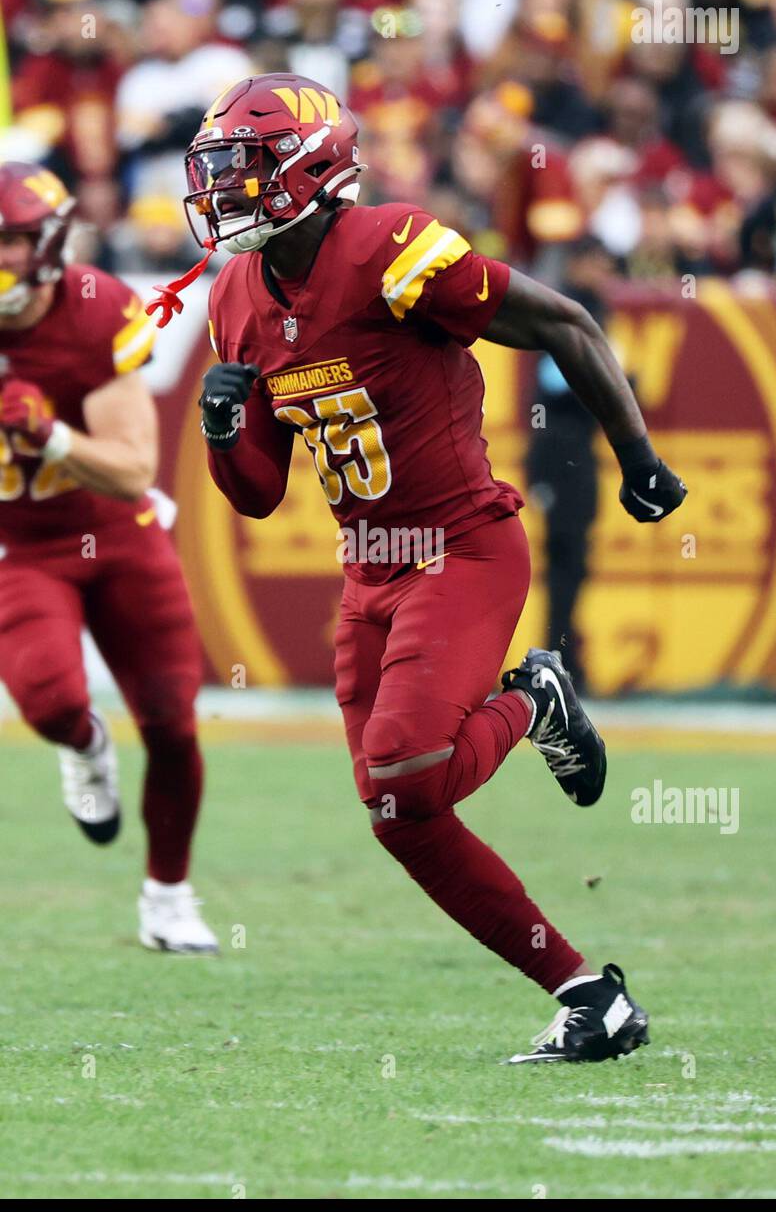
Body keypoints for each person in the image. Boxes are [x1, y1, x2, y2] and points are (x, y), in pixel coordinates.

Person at [154, 75, 687, 1060]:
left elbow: (566, 321)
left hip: (462, 547)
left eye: (244, 169)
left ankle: (535, 701)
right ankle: (588, 997)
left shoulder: (388, 249)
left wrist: (639, 458)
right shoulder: (237, 292)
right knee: (400, 813)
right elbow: (261, 492)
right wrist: (226, 431)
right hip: (369, 571)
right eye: (218, 171)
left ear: (307, 170)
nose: (224, 191)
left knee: (405, 768)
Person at [0, 161, 217, 954]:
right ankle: (87, 748)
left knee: (171, 720)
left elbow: (131, 465)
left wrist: (50, 433)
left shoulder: (93, 309)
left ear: (48, 244)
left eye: (10, 242)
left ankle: (168, 896)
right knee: (52, 702)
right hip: (21, 546)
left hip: (119, 532)